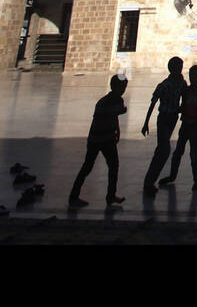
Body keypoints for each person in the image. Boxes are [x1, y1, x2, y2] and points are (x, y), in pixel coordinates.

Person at [68, 74, 128, 209]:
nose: (123, 90)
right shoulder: (105, 102)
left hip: (106, 138)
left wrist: (117, 130)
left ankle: (110, 196)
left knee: (113, 166)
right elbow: (110, 115)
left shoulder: (117, 100)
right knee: (88, 167)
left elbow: (115, 115)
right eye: (122, 87)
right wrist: (119, 113)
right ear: (114, 87)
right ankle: (74, 196)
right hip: (99, 138)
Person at [141, 56, 186, 196]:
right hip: (164, 119)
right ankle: (149, 182)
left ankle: (149, 182)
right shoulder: (164, 85)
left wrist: (182, 110)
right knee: (164, 149)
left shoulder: (181, 83)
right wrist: (146, 123)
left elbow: (184, 100)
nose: (180, 70)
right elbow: (153, 103)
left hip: (173, 118)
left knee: (162, 149)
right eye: (178, 67)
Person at [160, 64, 197, 190]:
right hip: (185, 124)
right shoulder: (185, 89)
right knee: (178, 152)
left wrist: (189, 116)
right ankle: (172, 176)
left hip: (194, 126)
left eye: (195, 75)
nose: (192, 77)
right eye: (191, 74)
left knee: (194, 154)